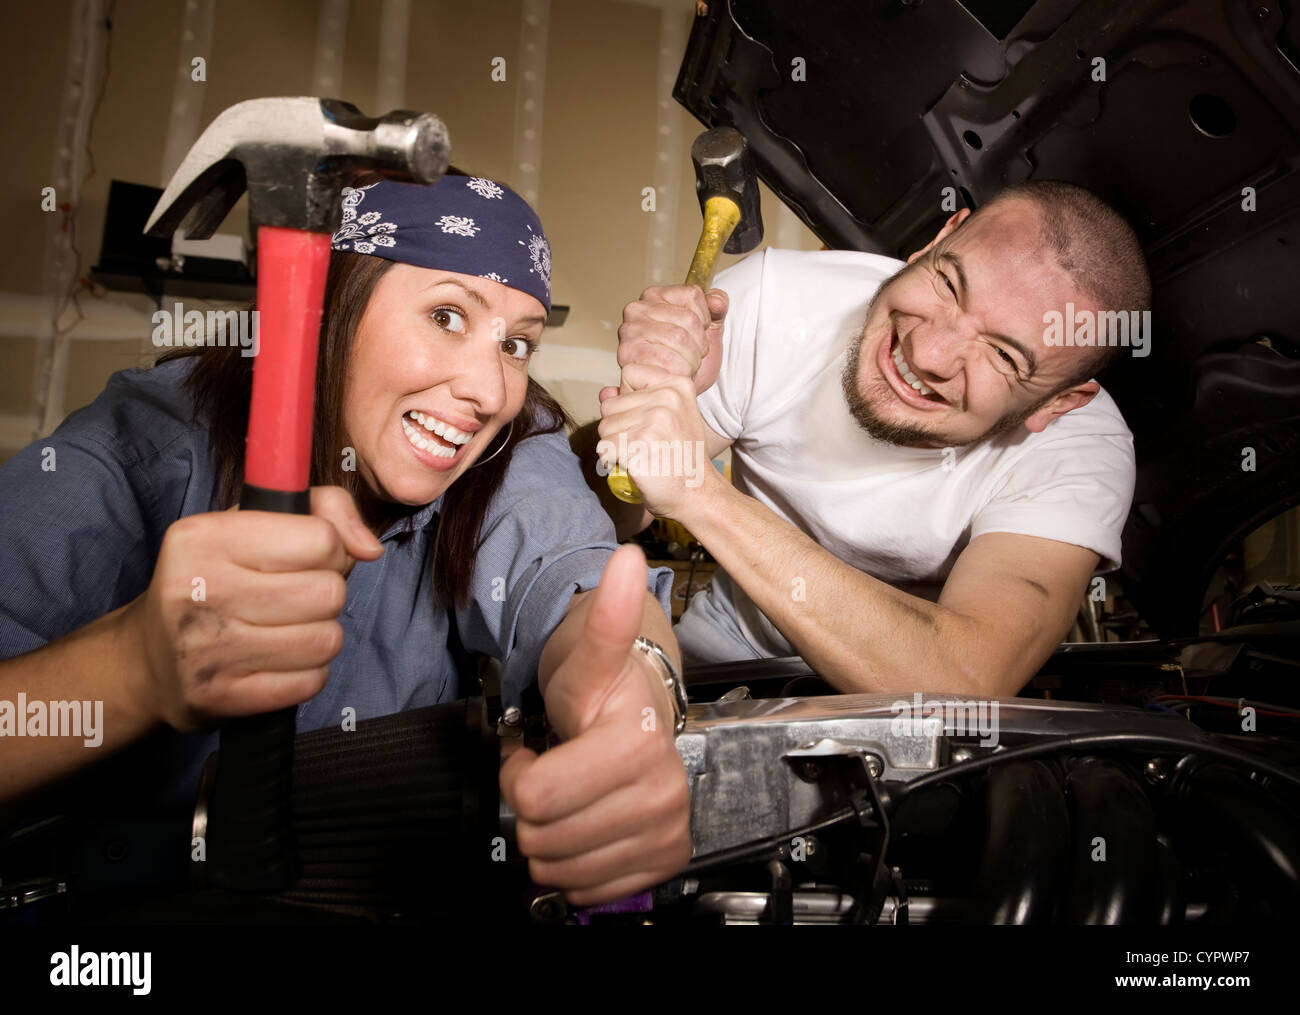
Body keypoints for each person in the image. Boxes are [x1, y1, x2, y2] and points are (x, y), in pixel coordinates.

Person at [0, 173, 692, 905]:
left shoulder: (508, 451)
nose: (490, 391)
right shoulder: (145, 446)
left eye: (518, 343)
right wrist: (134, 664)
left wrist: (633, 699)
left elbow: (572, 579)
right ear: (330, 307)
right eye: (449, 316)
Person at [578, 180, 1148, 698]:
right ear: (935, 240)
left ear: (1056, 403)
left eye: (1002, 354)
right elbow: (610, 511)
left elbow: (962, 680)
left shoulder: (1081, 452)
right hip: (731, 648)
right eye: (949, 284)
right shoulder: (772, 302)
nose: (927, 354)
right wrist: (643, 405)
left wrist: (699, 492)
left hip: (905, 707)